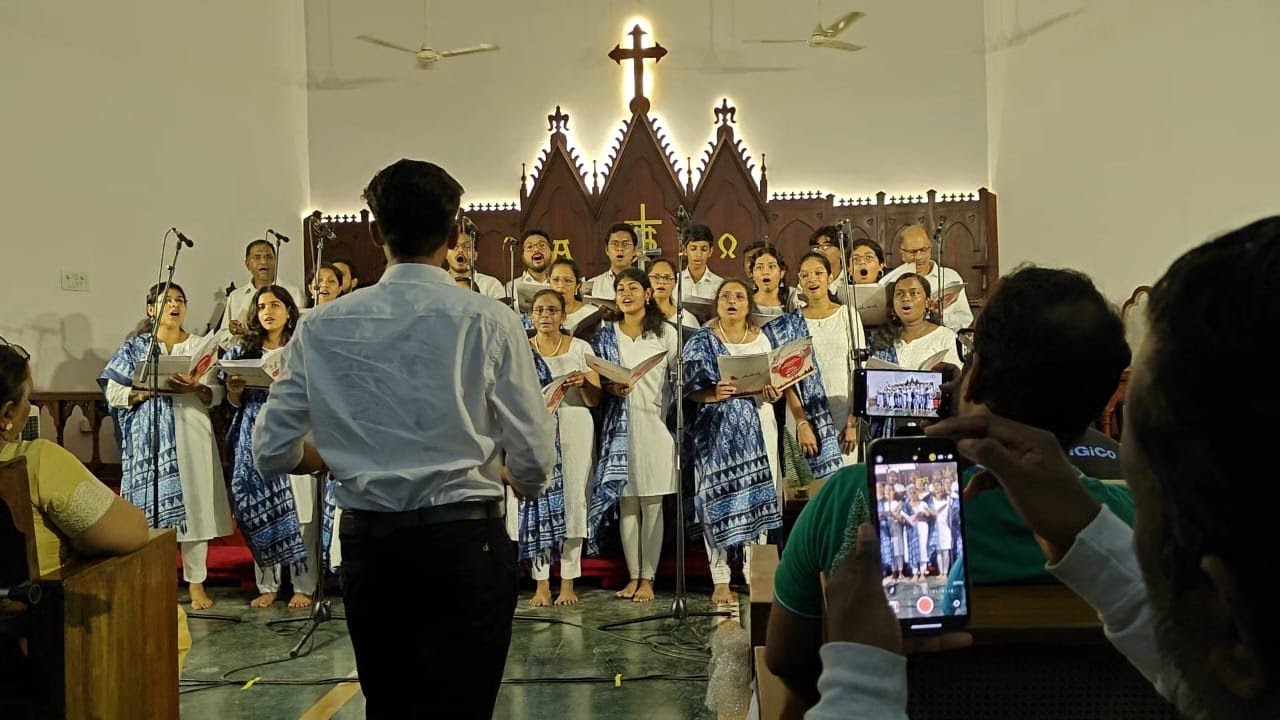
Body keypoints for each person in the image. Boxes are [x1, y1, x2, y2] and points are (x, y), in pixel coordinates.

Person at [812, 217, 1280, 719]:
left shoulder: (844, 497)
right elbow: (1183, 665)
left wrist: (859, 677)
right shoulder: (1242, 668)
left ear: (1228, 629)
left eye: (1146, 487)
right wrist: (1083, 530)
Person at [253, 159, 555, 719]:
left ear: (374, 230)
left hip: (374, 545)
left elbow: (270, 450)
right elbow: (535, 457)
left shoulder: (321, 324)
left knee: (391, 707)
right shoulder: (489, 320)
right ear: (456, 232)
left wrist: (334, 457)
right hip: (466, 541)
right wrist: (516, 476)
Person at [765, 266, 1135, 710]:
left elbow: (788, 661)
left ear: (973, 375)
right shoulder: (1135, 524)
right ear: (1102, 401)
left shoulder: (852, 498)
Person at [0, 341, 192, 674]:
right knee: (166, 615)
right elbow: (131, 531)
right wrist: (81, 539)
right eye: (27, 401)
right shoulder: (33, 461)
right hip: (33, 635)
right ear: (7, 414)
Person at [99, 282, 234, 611]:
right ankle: (156, 578)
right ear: (151, 309)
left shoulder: (202, 345)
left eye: (180, 300)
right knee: (151, 507)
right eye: (167, 300)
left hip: (193, 430)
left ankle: (196, 583)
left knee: (196, 503)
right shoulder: (137, 348)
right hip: (150, 436)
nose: (174, 306)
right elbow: (112, 391)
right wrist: (142, 392)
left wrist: (197, 387)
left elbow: (215, 394)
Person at [684, 279, 789, 604]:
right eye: (725, 296)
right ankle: (720, 578)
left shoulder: (764, 339)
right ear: (716, 304)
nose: (732, 301)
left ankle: (754, 575)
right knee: (716, 501)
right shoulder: (702, 340)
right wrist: (713, 393)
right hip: (715, 434)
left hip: (760, 428)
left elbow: (777, 385)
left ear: (749, 305)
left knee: (756, 500)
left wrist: (774, 393)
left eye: (739, 296)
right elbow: (688, 390)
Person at [222, 286, 317, 609]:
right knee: (261, 509)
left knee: (302, 512)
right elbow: (233, 403)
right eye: (261, 306)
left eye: (275, 305)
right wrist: (235, 389)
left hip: (295, 430)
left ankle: (304, 585)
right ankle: (268, 583)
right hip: (256, 432)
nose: (268, 312)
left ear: (289, 311)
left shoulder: (301, 348)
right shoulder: (243, 352)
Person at [587, 268, 678, 604]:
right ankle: (633, 575)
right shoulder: (605, 335)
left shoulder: (666, 333)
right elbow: (596, 380)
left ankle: (649, 579)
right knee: (627, 504)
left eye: (633, 288)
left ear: (647, 294)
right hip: (618, 427)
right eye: (620, 288)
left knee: (652, 504)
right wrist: (612, 386)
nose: (626, 294)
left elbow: (679, 380)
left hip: (655, 425)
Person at [523, 289, 601, 607]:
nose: (545, 315)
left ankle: (568, 580)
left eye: (552, 310)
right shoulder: (520, 349)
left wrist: (584, 383)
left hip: (575, 426)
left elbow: (596, 400)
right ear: (531, 315)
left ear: (563, 315)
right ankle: (541, 583)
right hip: (534, 431)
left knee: (573, 499)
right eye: (539, 310)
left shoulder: (581, 348)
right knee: (537, 501)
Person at [766, 252, 866, 468]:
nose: (812, 279)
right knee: (804, 492)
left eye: (818, 273)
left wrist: (853, 421)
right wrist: (801, 423)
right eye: (805, 275)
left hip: (843, 416)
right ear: (799, 282)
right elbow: (787, 380)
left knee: (843, 490)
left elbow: (861, 372)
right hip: (802, 418)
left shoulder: (848, 315)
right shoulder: (792, 323)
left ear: (830, 277)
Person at [881, 224, 973, 331]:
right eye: (912, 252)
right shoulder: (892, 280)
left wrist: (939, 318)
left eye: (923, 250)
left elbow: (965, 318)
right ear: (902, 254)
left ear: (930, 248)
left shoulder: (950, 277)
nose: (919, 257)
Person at [871, 273, 963, 370]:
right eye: (899, 294)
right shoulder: (880, 338)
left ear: (927, 302)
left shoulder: (945, 337)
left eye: (913, 293)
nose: (905, 298)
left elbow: (954, 377)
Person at [220, 240, 303, 346]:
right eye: (257, 257)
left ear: (276, 261)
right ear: (247, 264)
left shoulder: (294, 293)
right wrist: (233, 332)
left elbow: (300, 334)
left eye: (269, 257)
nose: (264, 262)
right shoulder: (236, 297)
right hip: (246, 358)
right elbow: (222, 340)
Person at [585, 223, 639, 301]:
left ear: (634, 250)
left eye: (626, 244)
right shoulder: (593, 285)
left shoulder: (644, 284)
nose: (620, 248)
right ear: (607, 250)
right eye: (615, 244)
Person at [445, 230, 504, 300]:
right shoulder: (438, 283)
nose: (460, 250)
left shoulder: (491, 285)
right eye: (455, 246)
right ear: (445, 253)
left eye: (467, 247)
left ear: (475, 255)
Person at [547, 257, 601, 334]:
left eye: (567, 281)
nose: (561, 285)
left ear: (577, 285)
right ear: (549, 283)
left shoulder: (591, 314)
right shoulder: (542, 313)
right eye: (555, 280)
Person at [750, 246, 802, 317]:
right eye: (759, 267)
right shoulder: (745, 300)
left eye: (771, 266)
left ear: (782, 273)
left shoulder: (792, 297)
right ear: (752, 274)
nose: (765, 272)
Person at [648, 257, 699, 328]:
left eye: (667, 278)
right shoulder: (637, 315)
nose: (662, 282)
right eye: (656, 277)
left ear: (675, 283)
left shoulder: (686, 320)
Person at [677, 224, 723, 300]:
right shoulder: (676, 281)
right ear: (684, 250)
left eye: (704, 249)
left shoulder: (719, 284)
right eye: (693, 249)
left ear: (710, 251)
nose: (698, 254)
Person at [507, 229, 554, 297]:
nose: (536, 249)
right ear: (523, 257)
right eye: (530, 247)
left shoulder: (562, 284)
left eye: (542, 245)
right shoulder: (512, 287)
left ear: (551, 252)